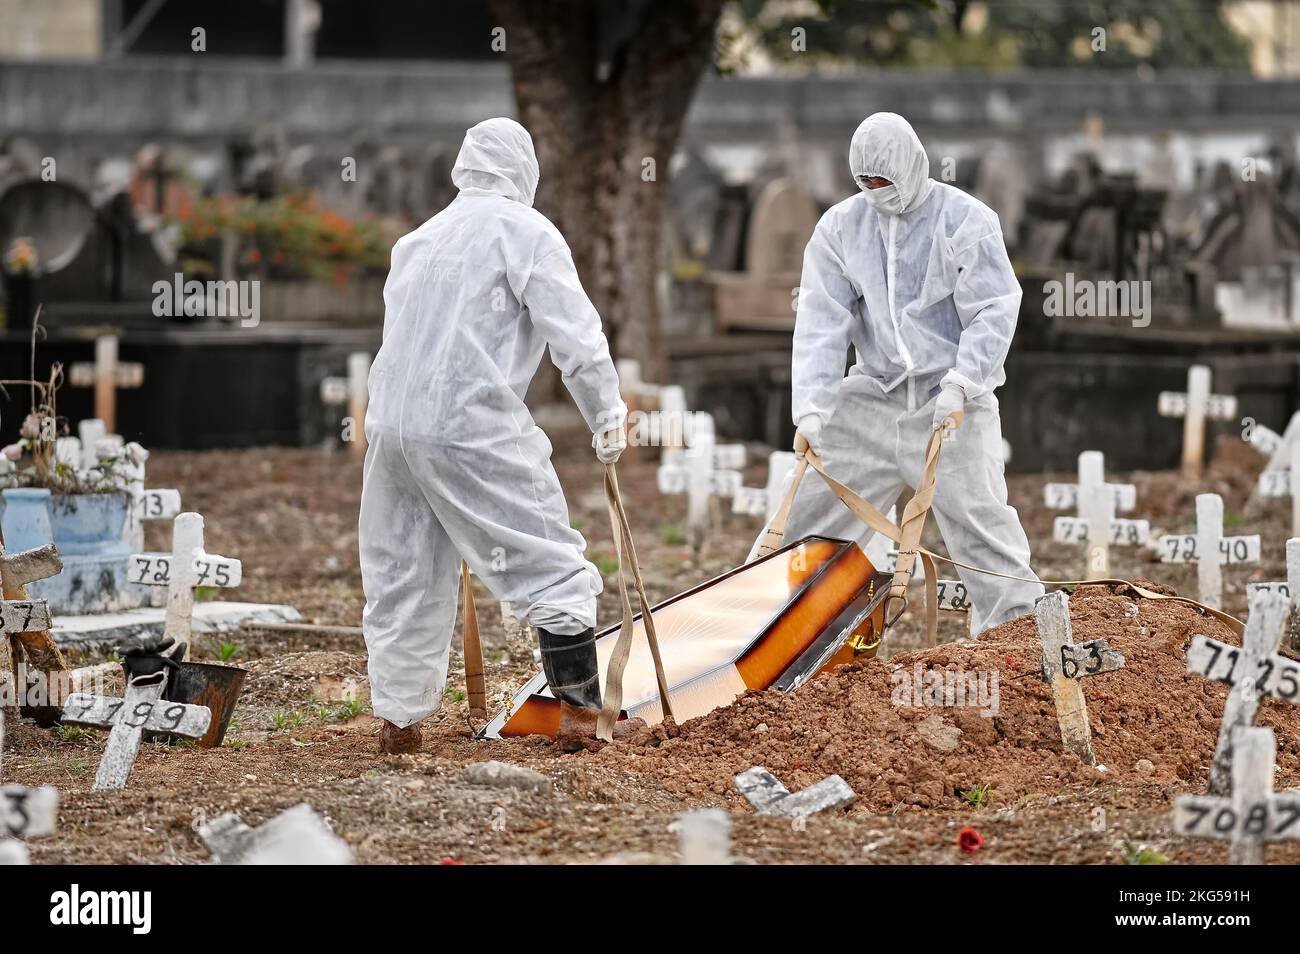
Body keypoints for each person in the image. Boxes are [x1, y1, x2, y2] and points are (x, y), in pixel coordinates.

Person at [359, 118, 626, 753]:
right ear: (523, 169)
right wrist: (607, 414)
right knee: (551, 563)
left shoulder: (417, 240)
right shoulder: (527, 232)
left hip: (392, 427)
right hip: (468, 425)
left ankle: (400, 726)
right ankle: (583, 717)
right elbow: (578, 339)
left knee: (405, 572)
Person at [753, 111, 1043, 635]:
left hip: (950, 401)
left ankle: (1017, 643)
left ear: (912, 165)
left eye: (885, 180)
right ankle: (760, 629)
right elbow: (822, 321)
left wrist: (963, 382)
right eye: (867, 182)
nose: (877, 190)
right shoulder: (840, 227)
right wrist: (814, 409)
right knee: (805, 522)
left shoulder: (966, 220)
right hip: (873, 397)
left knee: (983, 530)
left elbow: (994, 308)